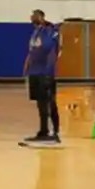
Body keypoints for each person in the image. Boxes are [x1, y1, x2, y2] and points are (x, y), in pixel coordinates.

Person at [23, 9, 60, 144]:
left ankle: (55, 131)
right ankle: (43, 130)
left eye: (34, 15)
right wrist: (27, 66)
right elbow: (32, 51)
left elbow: (50, 50)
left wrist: (48, 72)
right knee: (40, 104)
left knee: (50, 103)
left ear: (41, 17)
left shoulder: (50, 31)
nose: (32, 17)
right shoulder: (35, 33)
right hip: (34, 72)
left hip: (45, 73)